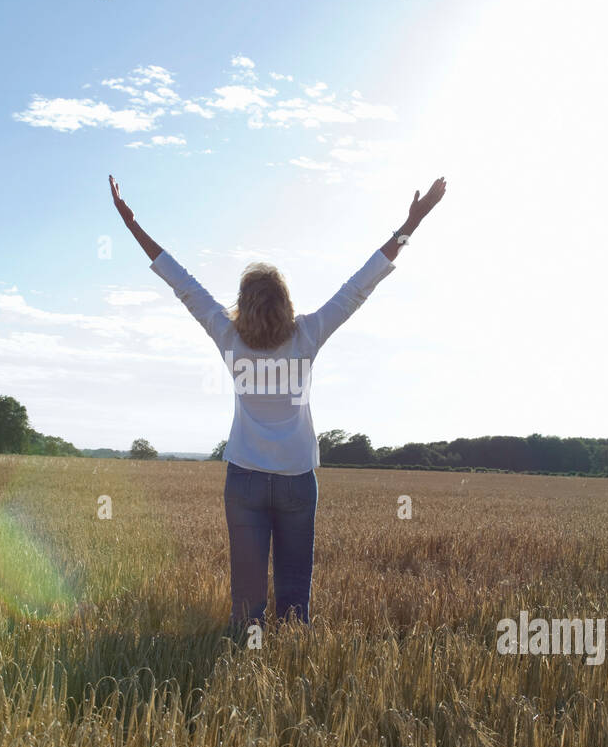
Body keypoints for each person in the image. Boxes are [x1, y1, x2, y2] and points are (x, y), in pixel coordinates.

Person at [110, 173, 446, 628]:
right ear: (286, 303)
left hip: (244, 479)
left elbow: (182, 283)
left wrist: (133, 226)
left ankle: (243, 676)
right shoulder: (307, 334)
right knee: (294, 602)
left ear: (243, 304)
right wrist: (411, 223)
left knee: (247, 609)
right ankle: (287, 678)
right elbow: (358, 287)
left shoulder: (228, 335)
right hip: (296, 481)